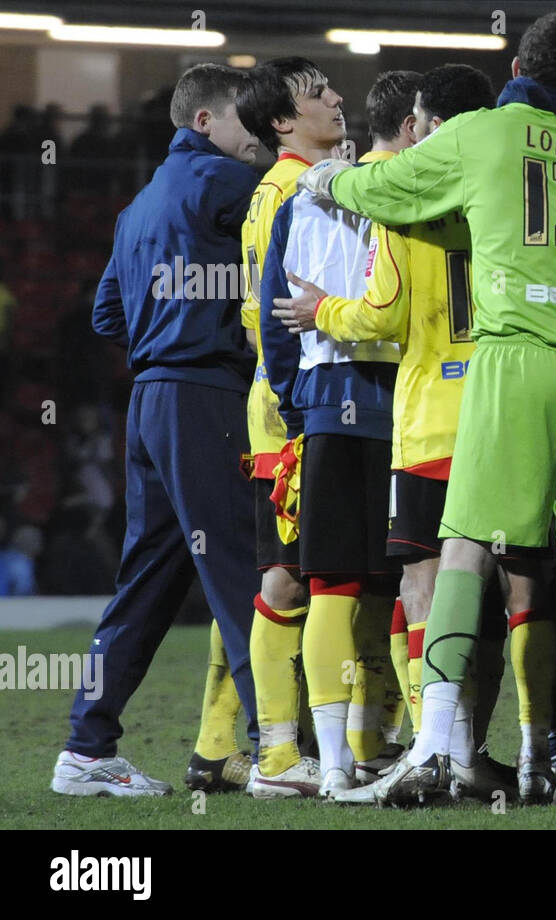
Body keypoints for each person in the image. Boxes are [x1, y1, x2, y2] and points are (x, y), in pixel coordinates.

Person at [301, 11, 556, 807]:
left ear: (520, 62)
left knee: (464, 551)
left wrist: (325, 178)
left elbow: (386, 186)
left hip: (513, 358)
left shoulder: (486, 132)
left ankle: (432, 746)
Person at [271, 64, 518, 805]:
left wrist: (308, 355)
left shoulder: (341, 192)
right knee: (508, 589)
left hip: (374, 409)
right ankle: (500, 751)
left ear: (424, 124)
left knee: (363, 584)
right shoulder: (503, 194)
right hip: (500, 407)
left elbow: (320, 313)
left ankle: (355, 756)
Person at [53, 63, 262, 797]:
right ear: (204, 121)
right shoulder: (229, 186)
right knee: (241, 567)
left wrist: (163, 335)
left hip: (151, 399)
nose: (262, 129)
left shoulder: (138, 205)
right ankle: (282, 745)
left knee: (146, 580)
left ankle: (86, 747)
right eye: (248, 116)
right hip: (205, 396)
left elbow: (106, 315)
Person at [258, 71, 420, 799]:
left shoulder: (300, 198)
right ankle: (405, 743)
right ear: (415, 126)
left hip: (329, 405)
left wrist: (299, 408)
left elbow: (271, 318)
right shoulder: (418, 198)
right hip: (406, 406)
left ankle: (336, 759)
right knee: (403, 584)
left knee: (331, 582)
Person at [236, 56, 347, 797]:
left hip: (289, 394)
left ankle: (262, 745)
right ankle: (277, 754)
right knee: (286, 575)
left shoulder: (277, 186)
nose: (337, 100)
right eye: (317, 95)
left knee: (301, 573)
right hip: (291, 400)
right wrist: (296, 402)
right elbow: (275, 317)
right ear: (282, 121)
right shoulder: (292, 190)